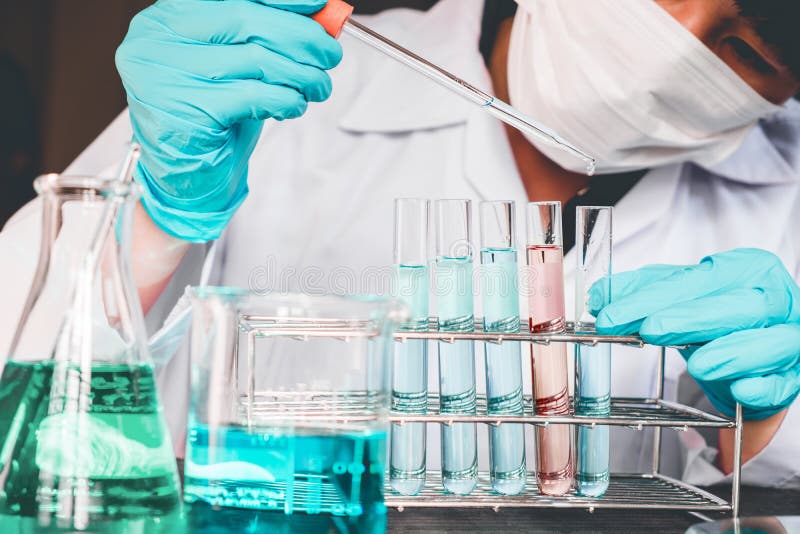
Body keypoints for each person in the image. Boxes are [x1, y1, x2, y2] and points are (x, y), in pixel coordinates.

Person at [1, 0, 798, 488]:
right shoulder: (270, 86)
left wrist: (764, 429)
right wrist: (157, 227)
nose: (674, 39)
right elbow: (20, 395)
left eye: (749, 51)